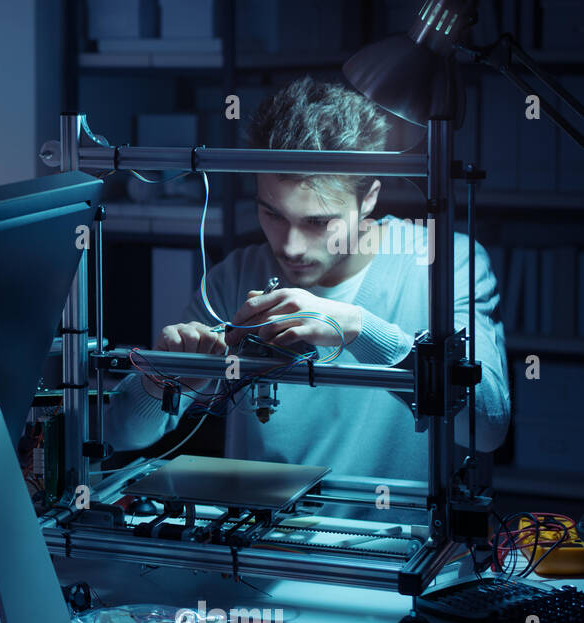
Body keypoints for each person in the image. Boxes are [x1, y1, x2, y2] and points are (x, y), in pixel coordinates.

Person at [104, 78, 510, 518]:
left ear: (369, 196)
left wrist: (357, 328)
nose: (291, 246)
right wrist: (166, 379)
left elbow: (488, 427)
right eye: (272, 213)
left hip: (393, 556)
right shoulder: (235, 277)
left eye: (319, 222)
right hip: (263, 556)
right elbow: (122, 435)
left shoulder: (445, 262)